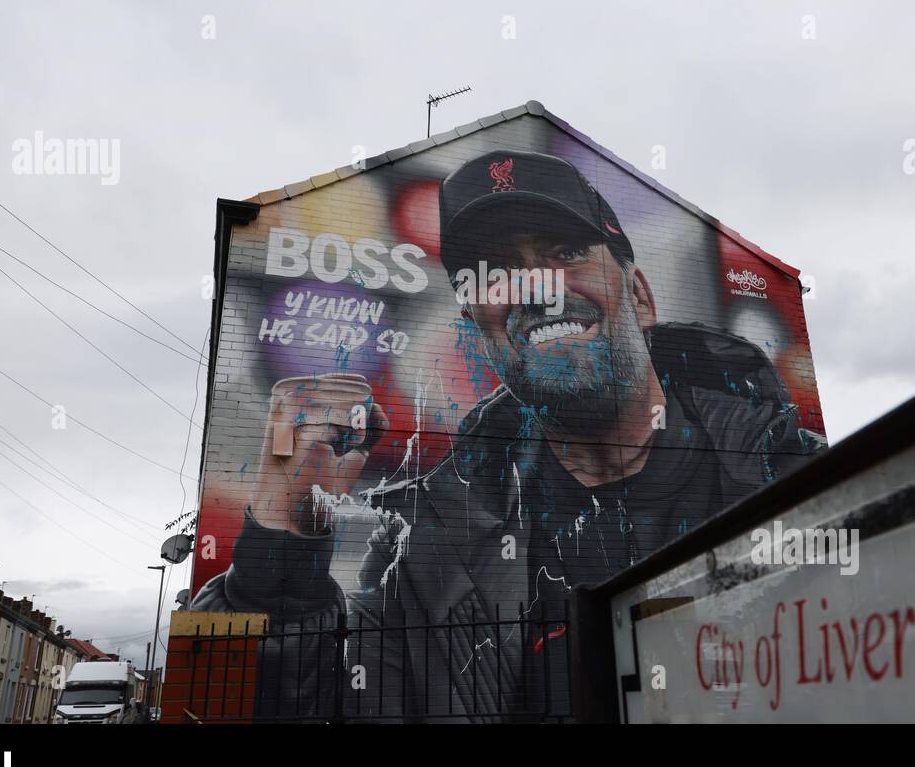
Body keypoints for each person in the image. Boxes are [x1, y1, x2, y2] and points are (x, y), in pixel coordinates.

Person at [191, 151, 825, 720]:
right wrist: (282, 544)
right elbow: (265, 710)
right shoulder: (421, 558)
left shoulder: (804, 488)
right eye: (495, 276)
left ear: (640, 296)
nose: (536, 291)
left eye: (565, 253)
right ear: (479, 330)